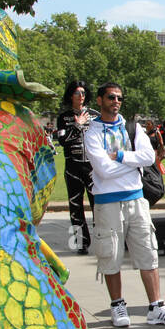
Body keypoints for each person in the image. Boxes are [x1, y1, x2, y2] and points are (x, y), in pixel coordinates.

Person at [84, 83, 165, 329]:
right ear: (100, 100)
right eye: (110, 97)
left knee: (148, 251)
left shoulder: (132, 127)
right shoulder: (92, 132)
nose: (116, 101)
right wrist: (132, 162)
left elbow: (149, 157)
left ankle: (156, 307)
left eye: (119, 97)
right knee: (111, 254)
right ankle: (117, 304)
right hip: (107, 202)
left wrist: (118, 156)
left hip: (136, 198)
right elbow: (103, 171)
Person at [54, 80, 98, 254]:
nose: (81, 96)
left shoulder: (94, 115)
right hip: (73, 167)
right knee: (75, 205)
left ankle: (104, 240)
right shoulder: (63, 118)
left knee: (98, 204)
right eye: (77, 93)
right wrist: (78, 124)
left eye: (83, 93)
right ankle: (81, 242)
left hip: (93, 167)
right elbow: (63, 141)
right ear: (71, 96)